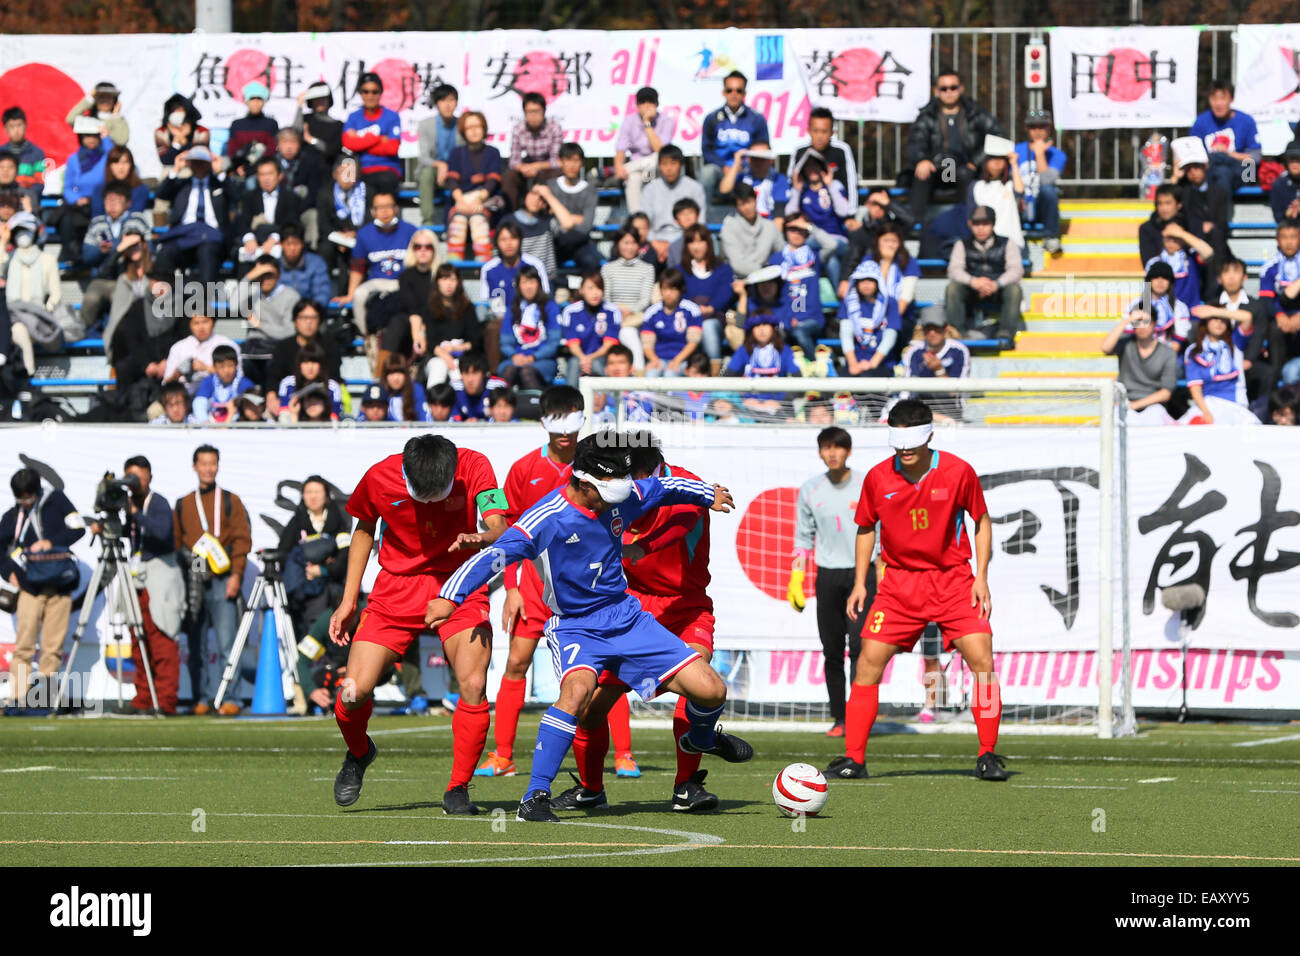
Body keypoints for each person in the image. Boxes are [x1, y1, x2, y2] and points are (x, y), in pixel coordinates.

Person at [428, 432, 750, 822]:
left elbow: (665, 486)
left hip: (627, 618)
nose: (617, 499)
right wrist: (451, 595)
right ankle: (535, 798)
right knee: (577, 695)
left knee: (713, 690)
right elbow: (495, 555)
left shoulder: (621, 494)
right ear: (583, 482)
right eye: (606, 490)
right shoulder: (545, 519)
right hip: (576, 628)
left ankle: (699, 737)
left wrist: (705, 493)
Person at [328, 435, 510, 815]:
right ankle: (360, 753)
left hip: (458, 583)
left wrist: (481, 538)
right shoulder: (379, 476)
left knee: (474, 683)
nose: (428, 501)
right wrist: (348, 600)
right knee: (351, 692)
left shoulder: (475, 465)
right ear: (406, 472)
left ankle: (458, 789)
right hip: (396, 590)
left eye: (436, 493)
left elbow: (499, 526)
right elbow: (363, 529)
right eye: (420, 493)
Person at [824, 399, 1004, 781]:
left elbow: (982, 521)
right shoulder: (877, 477)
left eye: (913, 441)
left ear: (929, 436)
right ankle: (854, 758)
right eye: (898, 441)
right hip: (899, 585)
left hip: (953, 581)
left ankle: (988, 755)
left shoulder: (958, 472)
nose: (905, 449)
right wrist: (860, 582)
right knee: (867, 663)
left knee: (983, 663)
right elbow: (866, 528)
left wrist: (981, 577)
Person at [554, 435, 725, 812]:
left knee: (699, 685)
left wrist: (638, 547)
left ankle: (687, 786)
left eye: (628, 477)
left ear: (648, 472)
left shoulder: (685, 485)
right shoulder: (608, 490)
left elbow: (680, 525)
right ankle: (591, 789)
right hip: (629, 608)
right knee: (591, 709)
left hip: (685, 606)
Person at [475, 388, 609, 776]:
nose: (564, 431)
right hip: (535, 582)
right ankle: (503, 756)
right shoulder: (521, 469)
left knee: (606, 672)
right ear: (543, 422)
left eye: (572, 418)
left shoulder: (598, 462)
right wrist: (513, 587)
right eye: (556, 419)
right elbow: (510, 532)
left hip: (588, 586)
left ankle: (622, 754)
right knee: (516, 662)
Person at [787, 427, 866, 736]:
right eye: (826, 448)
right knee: (832, 650)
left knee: (860, 649)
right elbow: (802, 538)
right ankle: (840, 718)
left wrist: (883, 571)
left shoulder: (864, 485)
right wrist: (797, 577)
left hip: (863, 574)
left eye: (838, 447)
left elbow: (882, 532)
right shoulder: (811, 489)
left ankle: (860, 715)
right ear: (820, 452)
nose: (833, 453)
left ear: (848, 451)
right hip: (828, 576)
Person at [174, 445, 253, 715]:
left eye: (213, 463)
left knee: (226, 641)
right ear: (194, 466)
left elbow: (242, 541)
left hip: (223, 577)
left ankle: (231, 697)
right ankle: (202, 697)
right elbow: (178, 544)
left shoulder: (231, 500)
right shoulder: (184, 503)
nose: (208, 468)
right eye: (203, 463)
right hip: (194, 579)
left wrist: (237, 576)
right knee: (196, 643)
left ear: (218, 466)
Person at [0, 468, 84, 707]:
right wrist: (10, 574)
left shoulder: (56, 500)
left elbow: (78, 528)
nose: (25, 501)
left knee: (52, 647)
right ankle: (17, 697)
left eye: (28, 496)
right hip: (30, 588)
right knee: (24, 646)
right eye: (21, 498)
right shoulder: (13, 515)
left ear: (36, 491)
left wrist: (52, 542)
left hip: (60, 586)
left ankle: (43, 698)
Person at [116, 456, 185, 715]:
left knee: (163, 635)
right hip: (137, 574)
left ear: (150, 478)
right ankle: (143, 697)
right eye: (130, 478)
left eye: (140, 478)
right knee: (138, 638)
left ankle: (166, 700)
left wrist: (135, 515)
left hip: (160, 571)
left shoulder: (157, 502)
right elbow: (131, 533)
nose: (134, 484)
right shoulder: (127, 502)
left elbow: (162, 532)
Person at [905, 71, 1006, 222]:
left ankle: (970, 223)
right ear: (936, 91)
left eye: (953, 87)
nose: (949, 92)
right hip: (936, 169)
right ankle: (914, 225)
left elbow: (998, 135)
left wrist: (976, 161)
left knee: (965, 175)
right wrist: (922, 159)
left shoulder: (975, 112)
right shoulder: (928, 115)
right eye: (944, 88)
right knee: (921, 174)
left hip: (966, 168)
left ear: (961, 89)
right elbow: (915, 141)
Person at [334, 189, 417, 339]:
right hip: (377, 282)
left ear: (396, 209)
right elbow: (357, 267)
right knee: (359, 295)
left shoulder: (410, 231)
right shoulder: (365, 234)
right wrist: (350, 294)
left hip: (403, 281)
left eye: (389, 206)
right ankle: (367, 337)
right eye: (379, 207)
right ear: (373, 211)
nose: (385, 211)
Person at [278, 475, 350, 639]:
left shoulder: (338, 520)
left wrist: (323, 570)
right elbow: (283, 553)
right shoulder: (297, 521)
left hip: (331, 589)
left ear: (326, 495)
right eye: (308, 492)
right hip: (301, 590)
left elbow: (344, 556)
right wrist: (304, 568)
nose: (313, 496)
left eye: (317, 491)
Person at [1193, 256, 1270, 400]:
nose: (1231, 277)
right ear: (1219, 278)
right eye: (1226, 272)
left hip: (1247, 359)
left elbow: (1258, 335)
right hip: (1216, 360)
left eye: (1236, 272)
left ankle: (1260, 413)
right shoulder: (1212, 304)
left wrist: (1248, 360)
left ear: (1245, 277)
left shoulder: (1256, 306)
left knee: (1266, 374)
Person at [153, 146, 230, 290]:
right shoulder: (182, 185)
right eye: (194, 161)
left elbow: (236, 195)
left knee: (208, 254)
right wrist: (176, 169)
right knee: (166, 253)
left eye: (202, 161)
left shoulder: (218, 184)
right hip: (184, 236)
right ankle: (164, 299)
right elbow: (161, 193)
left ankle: (204, 304)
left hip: (210, 238)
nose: (198, 165)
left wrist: (219, 171)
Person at [944, 205, 1023, 339]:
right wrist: (973, 282)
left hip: (998, 290)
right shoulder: (962, 244)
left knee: (1014, 290)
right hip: (971, 290)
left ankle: (1006, 333)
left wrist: (996, 284)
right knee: (952, 288)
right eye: (976, 224)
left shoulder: (1007, 243)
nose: (980, 228)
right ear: (970, 224)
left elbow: (1016, 269)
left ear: (993, 224)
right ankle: (957, 333)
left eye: (985, 223)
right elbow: (953, 270)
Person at [699, 71, 770, 203]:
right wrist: (723, 166)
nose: (734, 94)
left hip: (747, 169)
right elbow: (707, 150)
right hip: (720, 169)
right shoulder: (712, 118)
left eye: (738, 90)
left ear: (744, 94)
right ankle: (705, 218)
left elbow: (763, 148)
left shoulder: (756, 119)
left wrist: (745, 163)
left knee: (767, 173)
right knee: (706, 173)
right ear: (723, 92)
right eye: (729, 90)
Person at [1189, 78, 1261, 207]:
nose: (1218, 103)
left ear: (1231, 99)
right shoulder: (1201, 122)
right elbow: (1193, 154)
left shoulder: (1246, 121)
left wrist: (1228, 154)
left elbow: (1255, 157)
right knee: (1220, 171)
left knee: (1224, 165)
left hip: (1242, 172)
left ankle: (1214, 216)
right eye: (1214, 99)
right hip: (1212, 171)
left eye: (1222, 98)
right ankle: (1221, 216)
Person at [1101, 307, 1179, 426]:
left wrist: (1134, 405)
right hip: (1126, 403)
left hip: (1154, 407)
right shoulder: (1125, 344)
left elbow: (1166, 393)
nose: (1142, 326)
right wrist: (1126, 321)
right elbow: (1105, 348)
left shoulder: (1168, 353)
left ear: (1155, 324)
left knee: (1155, 418)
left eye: (1146, 322)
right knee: (1115, 421)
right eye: (1138, 322)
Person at [444, 111, 504, 262]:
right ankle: (454, 265)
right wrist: (462, 202)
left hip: (484, 201)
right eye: (469, 127)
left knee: (478, 220)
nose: (474, 130)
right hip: (460, 201)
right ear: (463, 131)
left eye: (477, 126)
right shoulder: (456, 153)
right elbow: (451, 180)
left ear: (484, 128)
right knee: (458, 221)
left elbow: (492, 180)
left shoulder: (493, 152)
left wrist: (478, 200)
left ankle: (483, 265)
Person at [785, 153, 852, 291]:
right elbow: (790, 215)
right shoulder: (802, 190)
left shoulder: (834, 186)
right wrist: (797, 190)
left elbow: (844, 211)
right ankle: (841, 301)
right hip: (813, 240)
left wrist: (830, 185)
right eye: (808, 167)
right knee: (831, 261)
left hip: (837, 239)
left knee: (829, 247)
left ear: (823, 169)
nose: (812, 170)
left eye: (816, 167)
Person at [1171, 138, 1231, 289]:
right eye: (1188, 169)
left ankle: (1214, 293)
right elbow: (1167, 205)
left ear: (1206, 166)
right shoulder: (1182, 192)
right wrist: (1174, 178)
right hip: (1191, 246)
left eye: (1196, 167)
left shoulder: (1219, 192)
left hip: (1215, 247)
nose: (1193, 172)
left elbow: (1221, 224)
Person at [263, 299, 340, 414]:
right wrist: (271, 396)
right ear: (295, 321)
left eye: (313, 318)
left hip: (321, 402)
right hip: (289, 400)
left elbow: (333, 378)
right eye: (304, 318)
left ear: (319, 321)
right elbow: (273, 376)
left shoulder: (330, 347)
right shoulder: (284, 347)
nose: (308, 322)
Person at [410, 263, 481, 385]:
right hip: (436, 357)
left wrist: (455, 348)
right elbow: (430, 342)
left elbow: (475, 340)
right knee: (439, 366)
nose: (449, 284)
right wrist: (446, 356)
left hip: (463, 357)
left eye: (453, 279)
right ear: (437, 282)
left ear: (458, 282)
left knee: (465, 370)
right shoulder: (429, 308)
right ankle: (434, 403)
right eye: (444, 279)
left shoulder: (468, 308)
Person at [1181, 315, 1257, 425]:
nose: (1219, 323)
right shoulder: (1194, 350)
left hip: (1235, 405)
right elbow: (1195, 387)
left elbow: (1247, 318)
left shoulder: (1236, 343)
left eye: (1223, 320)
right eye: (1214, 319)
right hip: (1207, 406)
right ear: (1205, 323)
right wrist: (1206, 412)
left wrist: (1213, 311)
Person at [234, 155, 303, 273]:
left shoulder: (290, 197)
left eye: (270, 174)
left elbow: (291, 223)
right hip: (255, 242)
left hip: (279, 241)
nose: (266, 179)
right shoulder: (248, 197)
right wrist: (249, 239)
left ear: (279, 175)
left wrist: (274, 239)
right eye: (262, 175)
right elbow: (242, 222)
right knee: (243, 256)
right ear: (257, 177)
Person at [497, 265, 561, 390]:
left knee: (527, 372)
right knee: (508, 371)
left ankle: (538, 408)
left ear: (539, 283)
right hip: (516, 358)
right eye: (524, 282)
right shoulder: (513, 308)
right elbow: (505, 341)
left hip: (542, 360)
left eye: (532, 282)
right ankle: (502, 407)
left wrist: (533, 357)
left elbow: (554, 341)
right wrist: (514, 356)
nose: (528, 287)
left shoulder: (550, 307)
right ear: (519, 286)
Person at [768, 214, 824, 356]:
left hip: (812, 318)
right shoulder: (776, 259)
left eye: (801, 230)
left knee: (799, 332)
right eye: (793, 229)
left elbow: (833, 245)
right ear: (785, 231)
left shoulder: (814, 256)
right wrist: (787, 319)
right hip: (786, 318)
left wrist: (809, 227)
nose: (797, 233)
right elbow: (775, 295)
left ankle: (816, 368)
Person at [902, 309, 972, 421]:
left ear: (946, 329)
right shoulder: (914, 352)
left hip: (951, 409)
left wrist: (939, 370)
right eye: (928, 329)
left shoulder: (959, 351)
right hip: (919, 412)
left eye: (936, 328)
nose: (932, 333)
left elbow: (957, 392)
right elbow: (908, 389)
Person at [601, 225, 656, 368]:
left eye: (633, 243)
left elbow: (645, 300)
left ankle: (637, 373)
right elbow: (605, 298)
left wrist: (629, 310)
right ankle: (637, 374)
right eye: (625, 242)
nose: (629, 247)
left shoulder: (647, 269)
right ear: (618, 244)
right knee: (626, 331)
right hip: (612, 315)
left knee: (628, 331)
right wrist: (617, 311)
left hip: (637, 317)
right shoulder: (607, 269)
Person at [726, 313, 801, 418]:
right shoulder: (743, 350)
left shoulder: (785, 350)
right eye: (757, 326)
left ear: (773, 328)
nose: (761, 330)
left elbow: (799, 380)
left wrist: (782, 401)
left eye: (765, 324)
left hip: (778, 407)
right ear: (751, 330)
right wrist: (742, 398)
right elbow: (728, 377)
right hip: (747, 407)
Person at [542, 142, 602, 274]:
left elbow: (586, 226)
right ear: (560, 162)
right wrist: (575, 218)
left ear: (582, 163)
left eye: (576, 160)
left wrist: (560, 216)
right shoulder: (550, 186)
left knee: (593, 261)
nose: (572, 165)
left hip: (580, 243)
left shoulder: (589, 190)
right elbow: (546, 219)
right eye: (568, 160)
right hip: (555, 242)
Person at [57, 116, 109, 262]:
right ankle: (73, 257)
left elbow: (113, 151)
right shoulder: (74, 159)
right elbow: (67, 187)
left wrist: (106, 136)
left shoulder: (106, 156)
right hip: (80, 205)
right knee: (67, 220)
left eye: (94, 135)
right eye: (87, 135)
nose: (91, 139)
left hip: (101, 203)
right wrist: (77, 199)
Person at [681, 223, 735, 364]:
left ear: (708, 243)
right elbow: (679, 294)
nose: (696, 246)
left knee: (708, 326)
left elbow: (725, 293)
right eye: (691, 242)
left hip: (715, 317)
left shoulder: (723, 269)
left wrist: (711, 307)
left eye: (700, 241)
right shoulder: (680, 270)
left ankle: (714, 375)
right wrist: (694, 310)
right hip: (687, 318)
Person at [1014, 110, 1066, 254]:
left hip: (1041, 205)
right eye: (1033, 127)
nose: (1037, 131)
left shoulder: (1057, 154)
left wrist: (1039, 154)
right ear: (1026, 129)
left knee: (1049, 190)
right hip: (1021, 203)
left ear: (1049, 129)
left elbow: (1047, 180)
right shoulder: (1015, 150)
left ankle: (1051, 236)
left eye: (1042, 127)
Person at [614, 87, 673, 213]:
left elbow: (660, 150)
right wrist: (618, 166)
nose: (646, 106)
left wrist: (647, 123)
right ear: (637, 105)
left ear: (657, 104)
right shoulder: (629, 121)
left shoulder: (666, 121)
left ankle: (627, 168)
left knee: (659, 157)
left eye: (650, 102)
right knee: (633, 178)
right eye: (642, 102)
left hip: (658, 169)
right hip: (641, 171)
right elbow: (620, 148)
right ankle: (636, 220)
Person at [865, 222, 921, 357]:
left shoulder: (909, 262)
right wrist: (885, 264)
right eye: (886, 240)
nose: (890, 245)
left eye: (894, 241)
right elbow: (867, 292)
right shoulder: (868, 261)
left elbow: (905, 300)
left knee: (895, 328)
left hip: (899, 317)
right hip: (869, 314)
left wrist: (888, 261)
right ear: (877, 241)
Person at [641, 145, 707, 258]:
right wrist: (655, 243)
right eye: (664, 164)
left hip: (687, 240)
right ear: (659, 166)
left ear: (681, 165)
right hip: (656, 241)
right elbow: (644, 222)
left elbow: (700, 222)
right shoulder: (650, 189)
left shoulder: (695, 188)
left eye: (673, 163)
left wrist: (675, 245)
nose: (669, 168)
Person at [342, 72, 402, 195]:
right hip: (360, 169)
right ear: (360, 93)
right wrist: (379, 139)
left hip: (387, 170)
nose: (370, 96)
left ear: (380, 93)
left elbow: (393, 148)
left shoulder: (392, 116)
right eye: (366, 91)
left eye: (375, 91)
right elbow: (348, 143)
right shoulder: (354, 117)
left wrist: (360, 142)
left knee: (383, 184)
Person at [502, 92, 563, 211]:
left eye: (537, 111)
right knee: (509, 176)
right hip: (526, 168)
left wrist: (537, 166)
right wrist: (523, 168)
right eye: (529, 112)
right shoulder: (518, 128)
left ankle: (549, 213)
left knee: (557, 174)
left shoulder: (554, 127)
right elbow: (514, 161)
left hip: (547, 168)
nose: (533, 116)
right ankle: (512, 214)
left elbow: (557, 160)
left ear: (544, 111)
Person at [839, 260, 900, 378]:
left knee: (867, 378)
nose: (866, 284)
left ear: (879, 282)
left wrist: (872, 363)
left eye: (871, 280)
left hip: (882, 364)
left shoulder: (890, 302)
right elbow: (845, 334)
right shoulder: (849, 302)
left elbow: (890, 335)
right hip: (854, 363)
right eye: (862, 280)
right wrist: (853, 364)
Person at [560, 271, 621, 385]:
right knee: (574, 363)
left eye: (599, 288)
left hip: (603, 358)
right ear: (581, 290)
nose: (595, 293)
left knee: (597, 364)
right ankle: (570, 401)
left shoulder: (612, 311)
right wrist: (583, 358)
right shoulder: (570, 311)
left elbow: (608, 344)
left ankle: (605, 399)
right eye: (590, 288)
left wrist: (590, 358)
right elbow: (573, 343)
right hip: (578, 358)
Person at [641, 267, 703, 377]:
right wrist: (654, 360)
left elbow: (693, 342)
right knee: (651, 374)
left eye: (673, 289)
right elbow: (647, 345)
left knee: (670, 374)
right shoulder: (651, 312)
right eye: (665, 289)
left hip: (684, 360)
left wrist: (677, 361)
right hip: (658, 359)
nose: (668, 293)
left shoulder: (692, 310)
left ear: (680, 290)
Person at [789, 107, 859, 201]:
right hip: (806, 211)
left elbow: (851, 184)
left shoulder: (841, 150)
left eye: (824, 131)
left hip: (836, 212)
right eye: (815, 131)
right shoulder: (800, 151)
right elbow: (791, 181)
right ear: (808, 131)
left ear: (832, 132)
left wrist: (850, 213)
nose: (819, 136)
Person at [317, 155, 367, 284]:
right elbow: (323, 223)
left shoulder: (367, 192)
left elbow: (369, 220)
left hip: (358, 236)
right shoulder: (325, 193)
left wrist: (355, 234)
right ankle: (326, 289)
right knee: (325, 249)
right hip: (334, 237)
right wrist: (339, 237)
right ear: (335, 174)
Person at [967, 136, 1025, 250]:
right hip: (985, 245)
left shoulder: (1011, 184)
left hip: (1012, 243)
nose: (997, 162)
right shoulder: (976, 186)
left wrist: (1014, 164)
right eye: (992, 158)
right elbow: (970, 218)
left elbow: (1020, 191)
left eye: (1001, 158)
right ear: (985, 162)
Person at [416, 84, 462, 225]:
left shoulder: (462, 124)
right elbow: (423, 158)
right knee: (426, 173)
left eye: (451, 100)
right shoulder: (425, 125)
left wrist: (449, 167)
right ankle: (428, 222)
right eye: (443, 101)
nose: (447, 105)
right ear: (436, 103)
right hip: (434, 173)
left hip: (456, 172)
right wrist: (440, 165)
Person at [720, 181, 784, 281]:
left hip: (768, 282)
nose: (747, 208)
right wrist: (765, 272)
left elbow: (782, 253)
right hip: (740, 280)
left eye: (749, 201)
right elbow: (737, 264)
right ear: (736, 207)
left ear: (755, 200)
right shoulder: (729, 227)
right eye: (741, 204)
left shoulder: (769, 226)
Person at [242, 256, 302, 360]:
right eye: (260, 275)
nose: (265, 279)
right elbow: (232, 303)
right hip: (254, 348)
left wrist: (259, 324)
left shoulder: (291, 296)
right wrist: (249, 277)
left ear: (278, 275)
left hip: (281, 348)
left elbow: (289, 332)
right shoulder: (251, 295)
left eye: (269, 275)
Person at [719, 147, 790, 229]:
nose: (758, 163)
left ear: (771, 160)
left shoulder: (779, 179)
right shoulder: (742, 176)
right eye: (754, 158)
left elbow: (779, 217)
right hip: (741, 226)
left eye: (762, 159)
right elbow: (724, 190)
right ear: (749, 159)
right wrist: (736, 163)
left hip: (767, 228)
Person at [275, 128, 324, 245]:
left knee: (313, 215)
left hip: (301, 209)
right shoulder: (271, 163)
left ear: (299, 144)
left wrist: (295, 211)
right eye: (285, 142)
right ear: (278, 144)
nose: (289, 147)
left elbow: (313, 192)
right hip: (276, 210)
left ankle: (312, 249)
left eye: (293, 142)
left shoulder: (310, 162)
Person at [276, 341, 344, 421]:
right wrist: (294, 415)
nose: (310, 367)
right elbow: (284, 420)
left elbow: (334, 421)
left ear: (322, 365)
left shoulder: (333, 387)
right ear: (299, 365)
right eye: (305, 362)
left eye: (314, 362)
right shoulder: (287, 384)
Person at [224, 82, 279, 180]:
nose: (256, 103)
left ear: (264, 101)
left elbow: (271, 150)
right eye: (252, 99)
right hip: (239, 170)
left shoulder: (271, 124)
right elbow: (232, 150)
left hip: (263, 172)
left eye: (259, 99)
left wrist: (255, 168)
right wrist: (239, 166)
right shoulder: (237, 124)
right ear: (246, 101)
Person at [192, 344, 255, 423]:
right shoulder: (208, 382)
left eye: (230, 365)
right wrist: (206, 423)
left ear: (236, 365)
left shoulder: (246, 384)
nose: (226, 371)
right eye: (221, 367)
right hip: (211, 426)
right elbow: (199, 403)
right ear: (214, 367)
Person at [154, 94, 210, 174]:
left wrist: (185, 139)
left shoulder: (201, 131)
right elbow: (166, 161)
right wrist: (176, 143)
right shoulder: (161, 132)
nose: (179, 124)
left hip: (196, 173)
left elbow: (199, 159)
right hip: (172, 173)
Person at [277, 224, 332, 305]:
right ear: (281, 245)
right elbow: (257, 296)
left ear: (302, 244)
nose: (292, 248)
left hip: (309, 313)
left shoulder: (316, 263)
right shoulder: (273, 266)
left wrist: (310, 311)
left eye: (296, 244)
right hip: (281, 313)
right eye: (288, 244)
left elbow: (322, 293)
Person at [64, 81, 129, 148]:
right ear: (95, 99)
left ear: (114, 100)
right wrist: (89, 98)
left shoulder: (119, 120)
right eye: (101, 97)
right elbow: (70, 119)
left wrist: (115, 116)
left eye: (109, 97)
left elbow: (122, 141)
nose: (105, 100)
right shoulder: (88, 120)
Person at [92, 145, 150, 218]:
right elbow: (97, 217)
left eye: (125, 162)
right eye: (116, 163)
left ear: (131, 165)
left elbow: (135, 215)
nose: (121, 167)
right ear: (109, 165)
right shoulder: (99, 189)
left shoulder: (141, 189)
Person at [1, 107, 46, 199]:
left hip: (27, 200)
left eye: (19, 125)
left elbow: (39, 183)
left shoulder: (37, 153)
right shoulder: (1, 153)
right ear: (5, 129)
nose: (16, 130)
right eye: (12, 126)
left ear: (25, 126)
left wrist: (26, 197)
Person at [450, 350, 505, 422]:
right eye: (466, 373)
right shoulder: (454, 388)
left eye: (475, 373)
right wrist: (463, 425)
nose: (470, 380)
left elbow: (505, 419)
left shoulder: (497, 386)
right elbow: (449, 421)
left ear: (484, 374)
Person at [295, 83, 344, 165]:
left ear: (329, 100)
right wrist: (299, 105)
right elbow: (294, 134)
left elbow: (333, 150)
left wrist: (311, 140)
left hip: (327, 169)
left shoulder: (338, 125)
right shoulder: (305, 119)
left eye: (323, 98)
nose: (320, 102)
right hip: (305, 168)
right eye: (316, 98)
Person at [379, 354, 432, 423]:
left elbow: (425, 419)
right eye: (391, 373)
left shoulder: (416, 389)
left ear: (406, 374)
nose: (396, 378)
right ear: (385, 376)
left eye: (400, 372)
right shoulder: (378, 392)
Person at [1270, 143, 1300, 225]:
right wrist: (1288, 213)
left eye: (1298, 160)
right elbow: (1278, 217)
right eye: (1291, 160)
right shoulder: (1279, 184)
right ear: (1286, 162)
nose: (1294, 164)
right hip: (1289, 231)